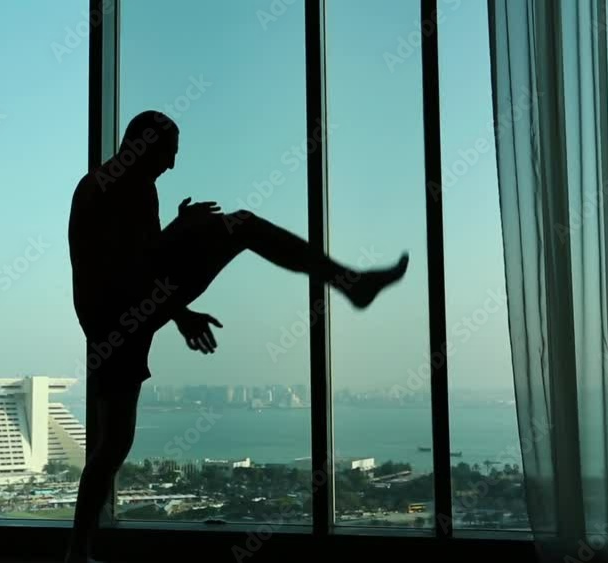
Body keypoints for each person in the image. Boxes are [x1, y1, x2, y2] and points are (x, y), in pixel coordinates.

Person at [65, 110, 408, 563]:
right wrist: (178, 246)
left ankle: (76, 553)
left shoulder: (137, 189)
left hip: (119, 318)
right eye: (167, 155)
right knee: (242, 225)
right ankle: (350, 283)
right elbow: (124, 271)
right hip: (115, 318)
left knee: (114, 444)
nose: (170, 167)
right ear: (141, 145)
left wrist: (175, 280)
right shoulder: (101, 190)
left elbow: (141, 267)